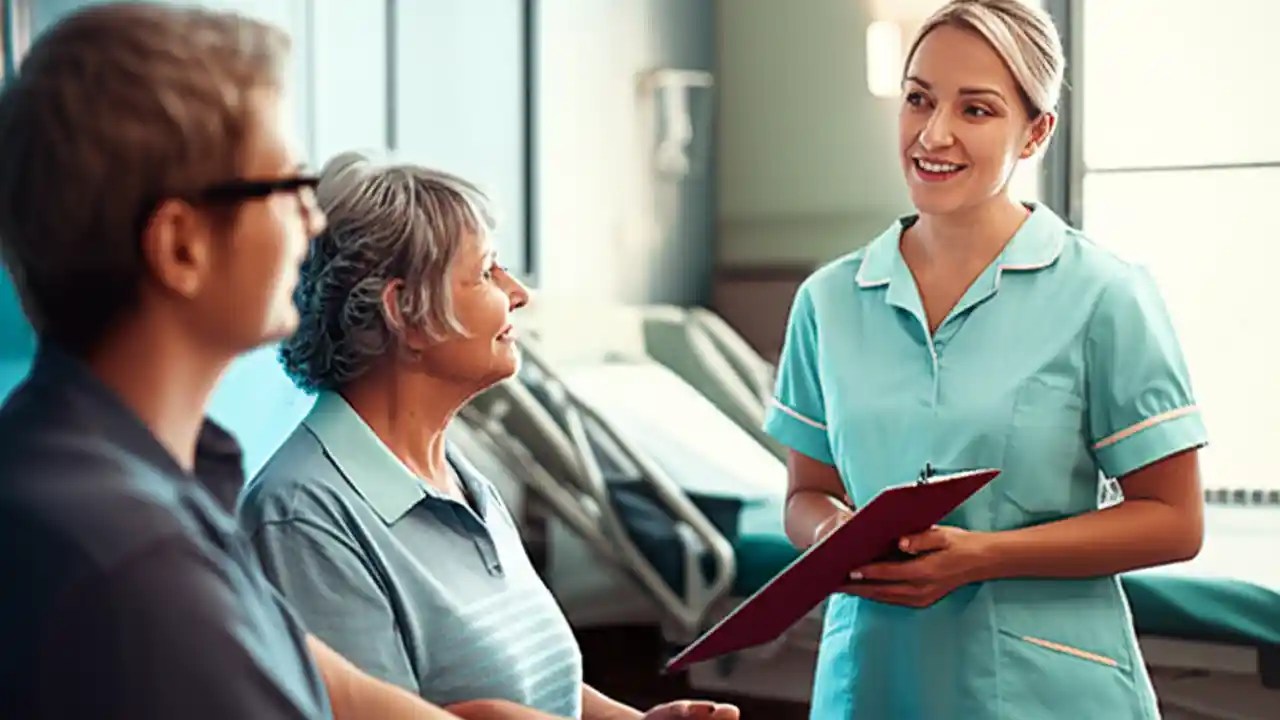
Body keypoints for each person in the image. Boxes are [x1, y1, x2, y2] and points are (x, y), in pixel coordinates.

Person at [0, 4, 565, 719]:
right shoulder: (130, 561)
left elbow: (334, 684)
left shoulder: (135, 480)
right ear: (182, 246)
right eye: (286, 185)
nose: (313, 218)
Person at [764, 1, 1206, 719]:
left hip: (1048, 691)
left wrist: (984, 555)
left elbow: (1174, 520)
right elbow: (803, 494)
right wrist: (828, 534)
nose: (933, 134)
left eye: (976, 110)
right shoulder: (829, 301)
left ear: (1036, 132)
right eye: (918, 99)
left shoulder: (1104, 294)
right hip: (873, 681)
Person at [237, 151, 739, 720]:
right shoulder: (304, 518)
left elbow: (536, 682)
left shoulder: (459, 482)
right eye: (486, 271)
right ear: (406, 312)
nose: (518, 292)